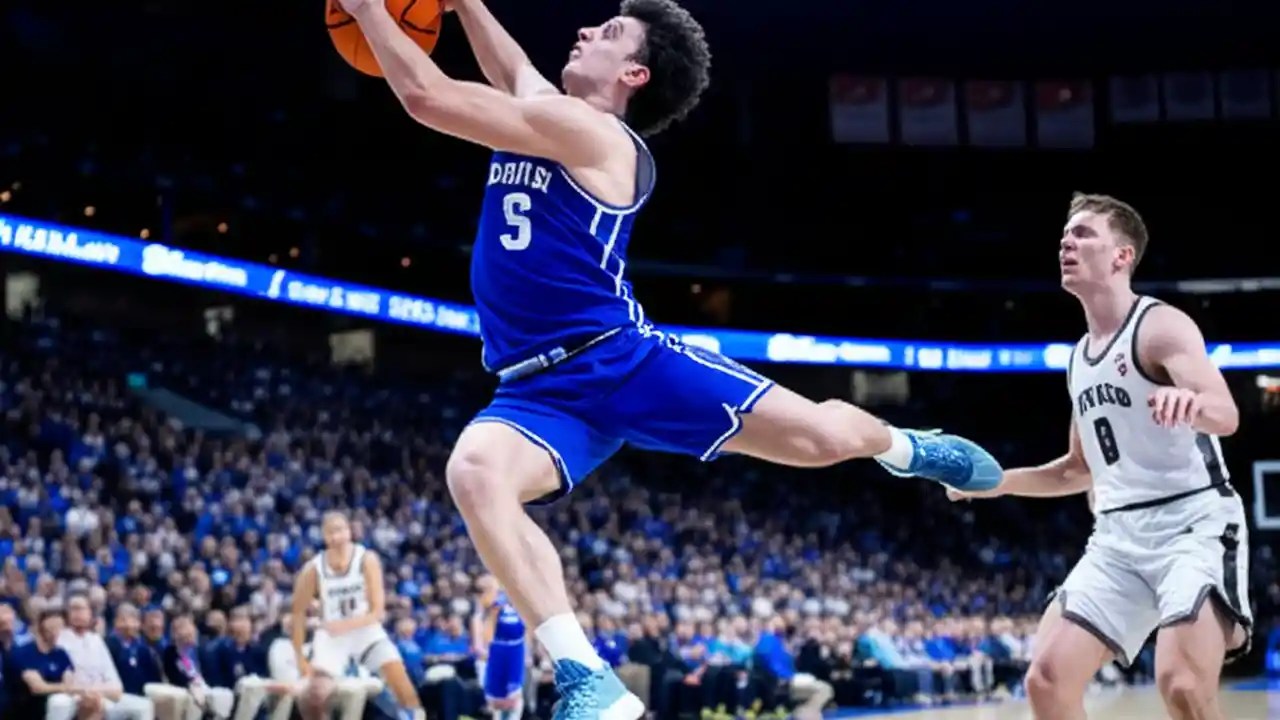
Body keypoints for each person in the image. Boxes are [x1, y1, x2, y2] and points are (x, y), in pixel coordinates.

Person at [332, 0, 1003, 716]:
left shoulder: (596, 136)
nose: (585, 29)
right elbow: (514, 68)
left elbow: (425, 95)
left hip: (621, 360)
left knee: (820, 440)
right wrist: (465, 4)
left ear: (634, 73)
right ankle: (587, 677)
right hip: (535, 391)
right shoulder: (552, 114)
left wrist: (370, 9)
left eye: (609, 32)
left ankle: (905, 446)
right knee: (473, 473)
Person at [950, 193, 1250, 720]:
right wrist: (998, 482)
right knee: (1046, 680)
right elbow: (1076, 470)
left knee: (1181, 685)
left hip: (1192, 525)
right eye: (1066, 234)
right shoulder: (1079, 359)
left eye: (1084, 233)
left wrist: (1191, 402)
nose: (1067, 240)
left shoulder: (1160, 326)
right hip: (1117, 538)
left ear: (1122, 255)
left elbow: (1225, 414)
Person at [290, 513, 421, 720]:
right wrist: (299, 658)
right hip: (332, 637)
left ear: (350, 532)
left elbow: (377, 611)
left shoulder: (366, 559)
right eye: (332, 532)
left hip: (364, 630)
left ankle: (416, 715)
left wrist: (344, 625)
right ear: (324, 537)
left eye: (341, 530)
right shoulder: (313, 569)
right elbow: (297, 614)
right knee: (314, 697)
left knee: (402, 686)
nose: (338, 536)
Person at [473, 575, 527, 720]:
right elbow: (479, 647)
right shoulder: (482, 616)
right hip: (492, 661)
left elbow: (524, 637)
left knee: (515, 699)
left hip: (512, 658)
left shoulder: (517, 610)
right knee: (496, 705)